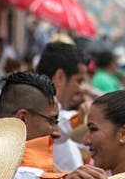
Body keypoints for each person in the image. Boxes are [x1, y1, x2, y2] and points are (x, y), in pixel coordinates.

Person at [37, 41, 89, 170]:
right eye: (79, 81)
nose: (81, 88)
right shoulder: (37, 113)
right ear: (60, 77)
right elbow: (62, 126)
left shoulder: (58, 111)